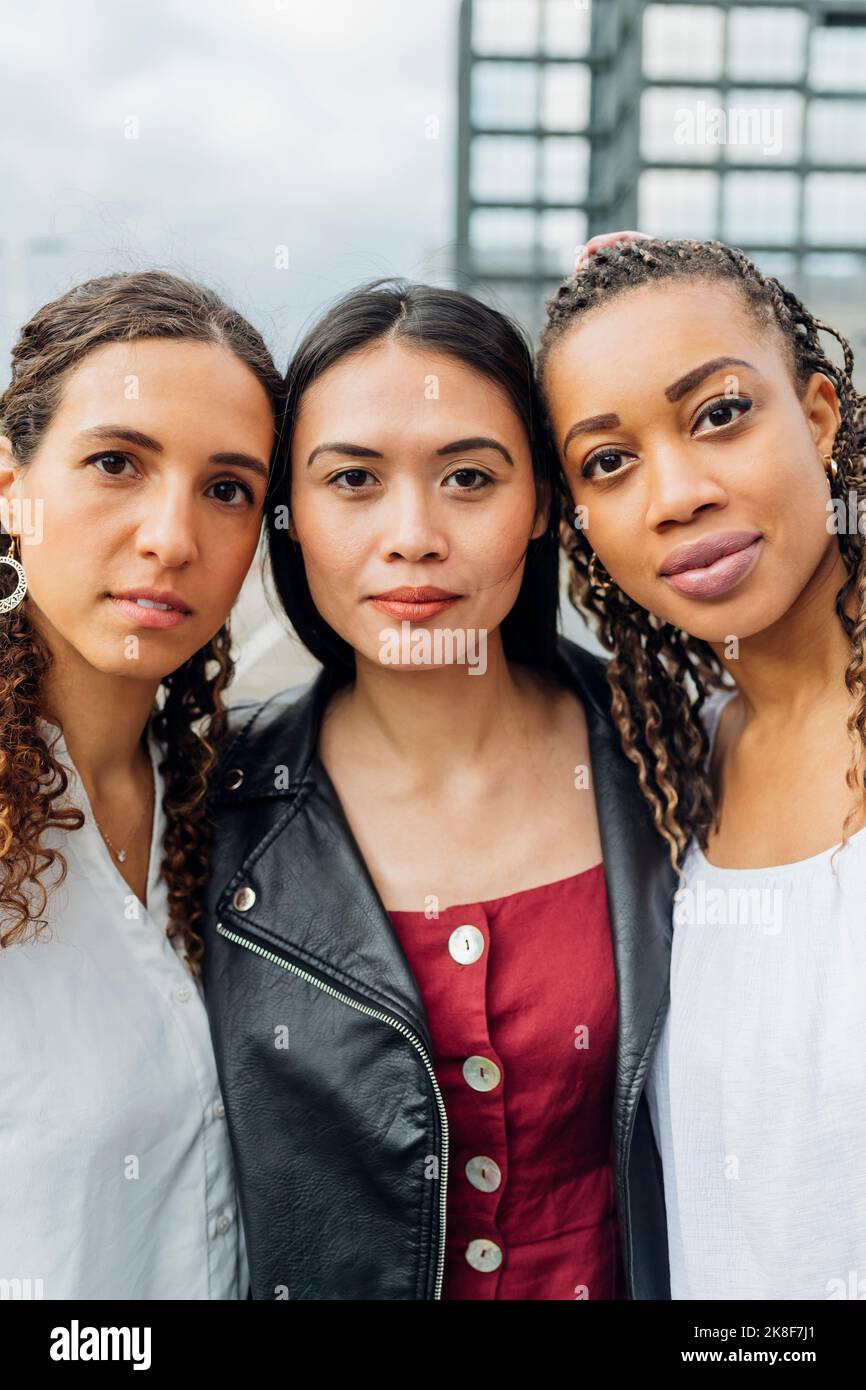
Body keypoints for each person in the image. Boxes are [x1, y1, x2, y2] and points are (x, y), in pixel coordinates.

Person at [202, 278, 674, 1301]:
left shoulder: (672, 761)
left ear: (542, 500)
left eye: (467, 477)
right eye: (353, 481)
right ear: (291, 514)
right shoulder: (209, 804)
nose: (412, 533)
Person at [538, 233, 866, 1299]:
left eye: (718, 412)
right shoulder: (672, 780)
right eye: (606, 459)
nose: (673, 493)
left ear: (816, 417)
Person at [0, 269, 282, 1299]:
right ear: (10, 487)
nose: (172, 539)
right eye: (117, 461)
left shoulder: (237, 802)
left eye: (227, 488)